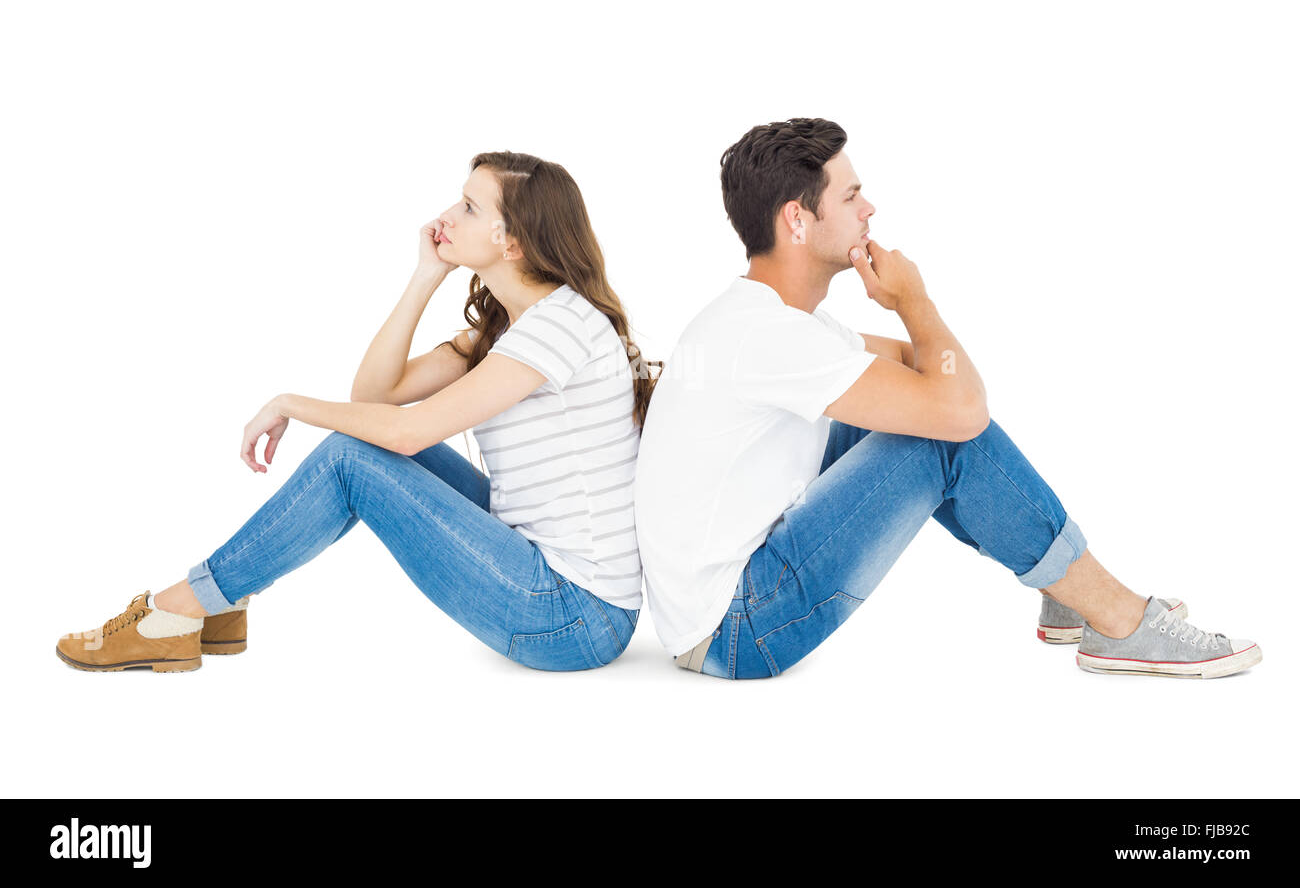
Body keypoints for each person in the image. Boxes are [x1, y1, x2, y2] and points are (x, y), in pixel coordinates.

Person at [634, 117, 1261, 680]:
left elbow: (926, 369)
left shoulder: (779, 322)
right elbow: (960, 409)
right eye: (851, 196)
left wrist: (924, 357)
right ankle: (1119, 620)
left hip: (715, 616)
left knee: (906, 417)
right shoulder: (769, 336)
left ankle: (1071, 590)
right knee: (938, 437)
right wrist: (914, 301)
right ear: (796, 219)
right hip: (738, 631)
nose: (870, 208)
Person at [56, 152, 648, 674]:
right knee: (360, 445)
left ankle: (182, 609)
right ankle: (217, 605)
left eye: (469, 206)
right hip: (548, 579)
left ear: (511, 242)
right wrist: (426, 276)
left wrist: (290, 402)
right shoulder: (515, 324)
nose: (447, 213)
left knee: (350, 457)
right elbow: (375, 395)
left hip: (574, 616)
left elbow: (409, 431)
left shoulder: (558, 328)